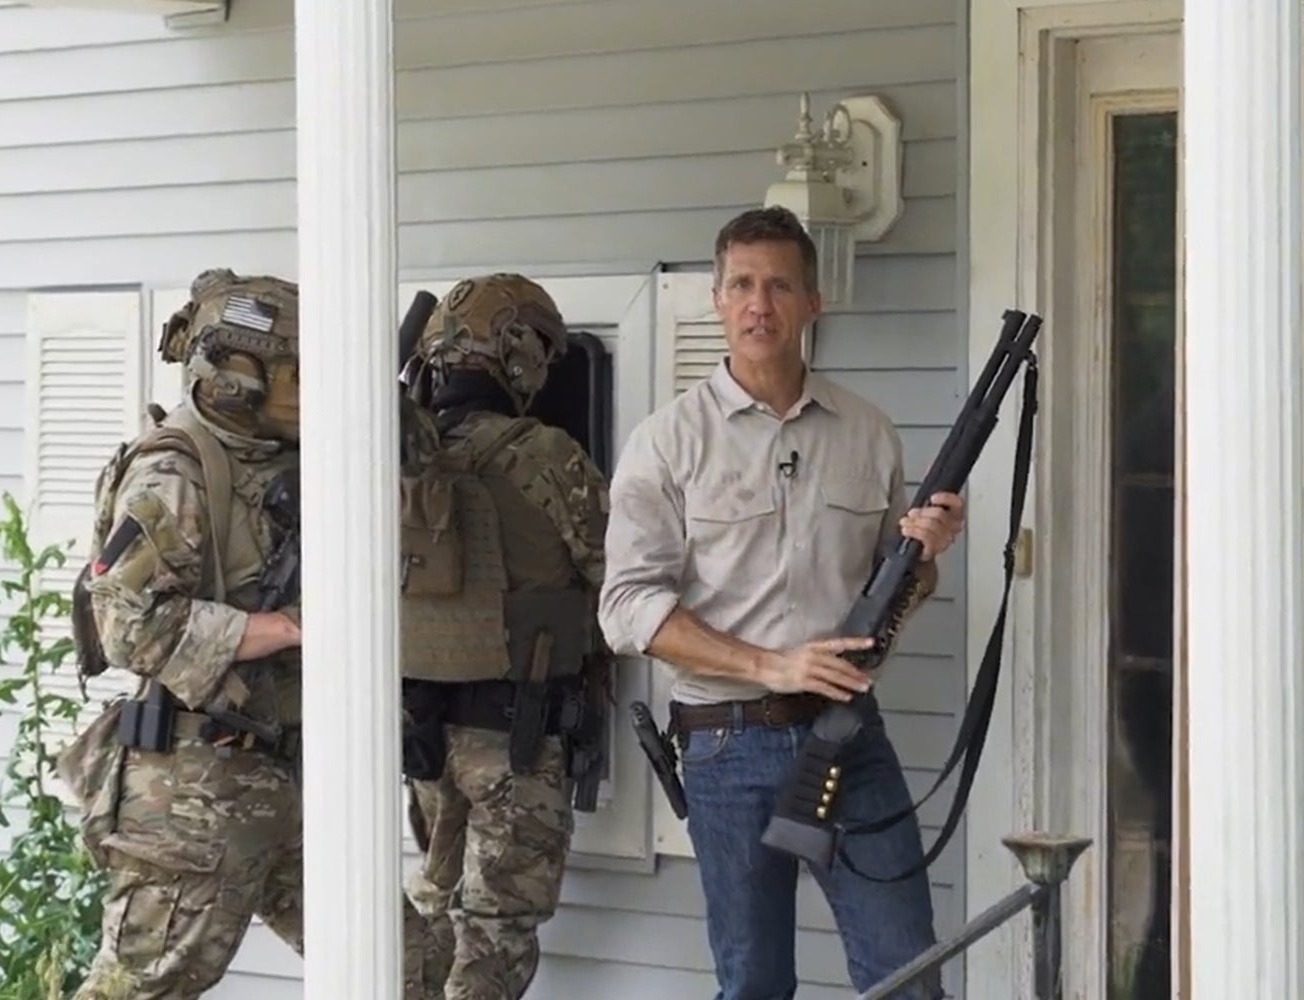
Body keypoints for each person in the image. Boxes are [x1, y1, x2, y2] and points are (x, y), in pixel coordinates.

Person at [598, 206, 964, 999]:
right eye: (741, 285)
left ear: (812, 302)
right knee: (755, 984)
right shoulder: (667, 442)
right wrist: (771, 663)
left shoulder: (867, 432)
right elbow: (627, 607)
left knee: (909, 975)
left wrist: (928, 556)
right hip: (727, 747)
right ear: (718, 300)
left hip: (851, 737)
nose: (759, 304)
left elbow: (892, 588)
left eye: (779, 285)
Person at [58, 269, 307, 999]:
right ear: (238, 375)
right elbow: (130, 625)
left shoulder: (280, 461)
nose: (310, 387)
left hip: (283, 777)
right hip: (193, 796)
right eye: (297, 370)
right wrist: (283, 629)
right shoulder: (174, 468)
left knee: (408, 968)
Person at [393, 273, 611, 1000]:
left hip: (422, 735)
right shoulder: (544, 455)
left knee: (431, 919)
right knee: (495, 935)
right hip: (515, 739)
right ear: (518, 357)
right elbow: (621, 575)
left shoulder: (394, 460)